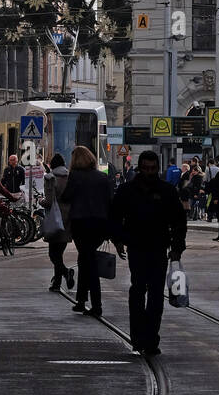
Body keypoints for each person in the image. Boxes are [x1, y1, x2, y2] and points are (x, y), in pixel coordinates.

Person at [110, 151, 186, 356]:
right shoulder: (127, 190)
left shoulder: (167, 191)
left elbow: (179, 221)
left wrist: (177, 248)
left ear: (157, 168)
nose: (149, 172)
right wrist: (118, 240)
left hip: (159, 247)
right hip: (136, 247)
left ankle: (151, 338)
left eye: (153, 169)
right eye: (146, 168)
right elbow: (115, 216)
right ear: (139, 168)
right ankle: (137, 336)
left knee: (155, 295)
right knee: (137, 290)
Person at [59, 146, 115, 318]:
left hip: (81, 224)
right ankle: (81, 300)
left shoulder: (75, 176)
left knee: (87, 262)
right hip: (99, 225)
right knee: (85, 259)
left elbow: (66, 197)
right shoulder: (103, 177)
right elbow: (110, 203)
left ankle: (96, 305)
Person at [42, 153, 75, 291]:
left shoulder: (50, 178)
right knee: (59, 252)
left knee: (53, 254)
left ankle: (66, 273)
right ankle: (57, 283)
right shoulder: (70, 177)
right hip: (68, 218)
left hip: (55, 218)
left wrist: (41, 201)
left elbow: (49, 201)